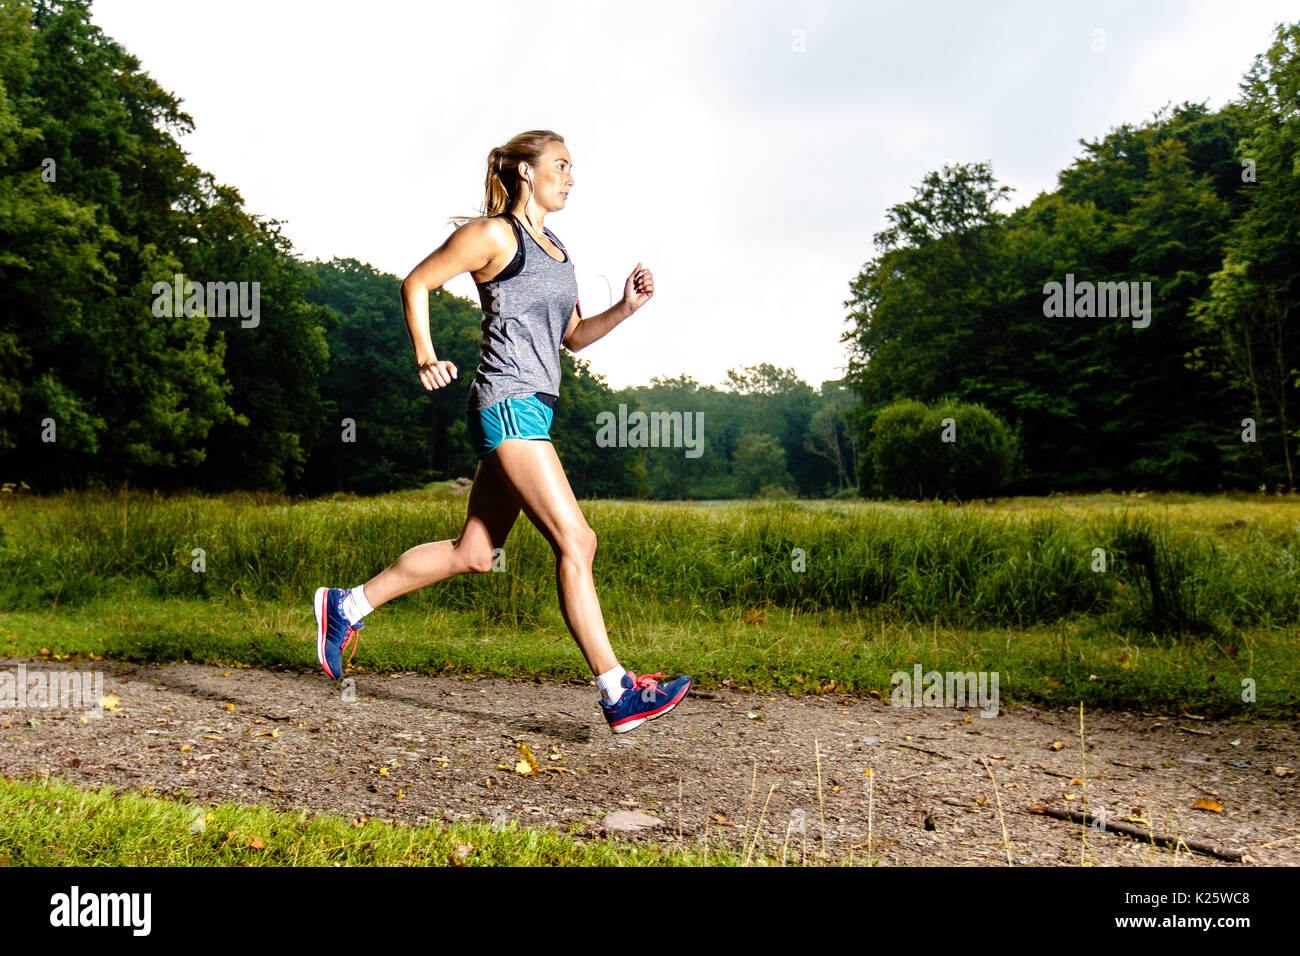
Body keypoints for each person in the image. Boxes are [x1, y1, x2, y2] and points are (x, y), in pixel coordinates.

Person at [313, 130, 690, 734]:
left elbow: (572, 338)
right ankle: (617, 691)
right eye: (561, 166)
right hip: (506, 402)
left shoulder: (558, 249)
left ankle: (347, 605)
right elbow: (416, 282)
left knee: (476, 554)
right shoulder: (493, 235)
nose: (570, 178)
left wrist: (624, 309)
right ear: (523, 170)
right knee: (578, 540)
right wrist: (425, 355)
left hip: (535, 407)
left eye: (573, 169)